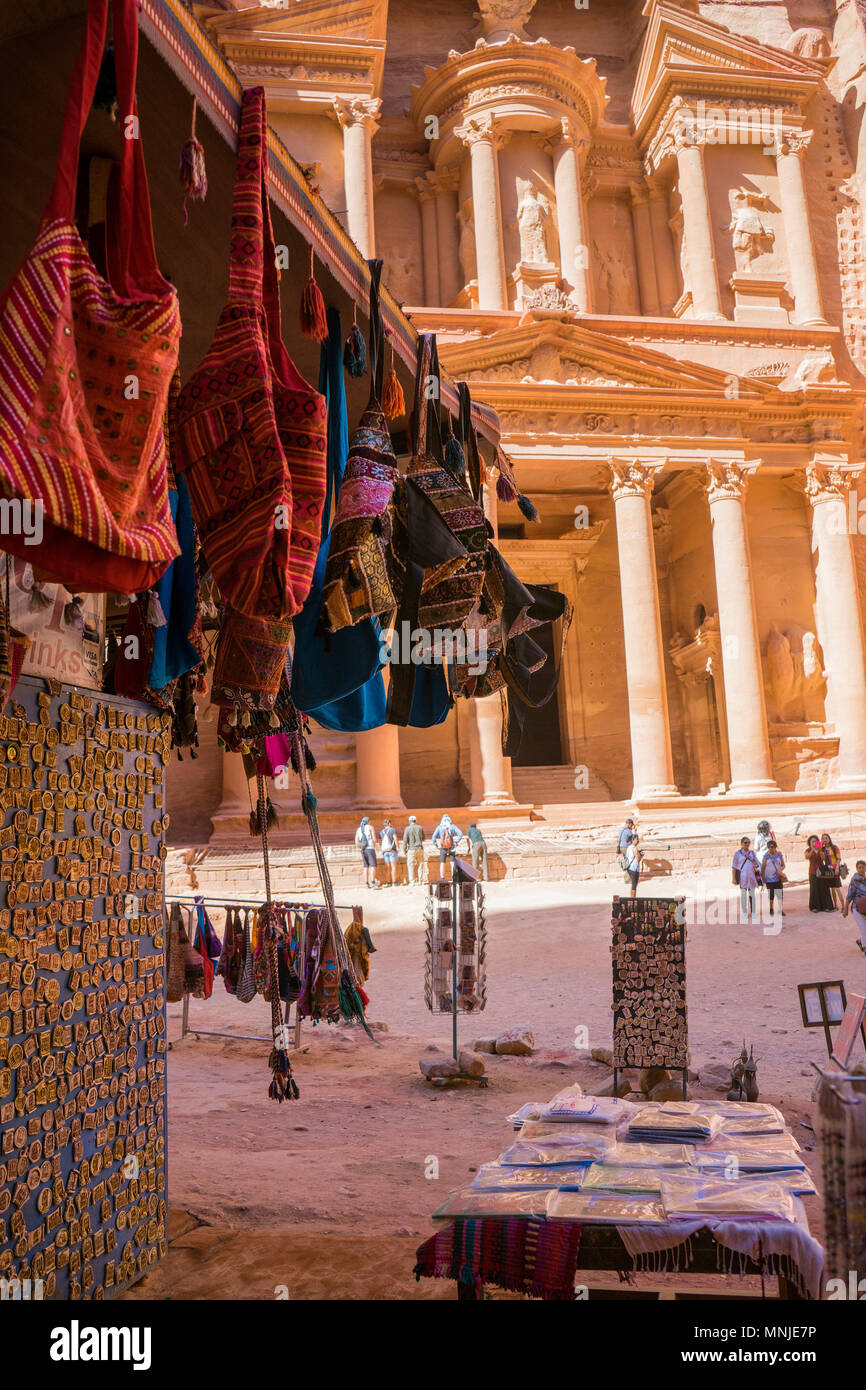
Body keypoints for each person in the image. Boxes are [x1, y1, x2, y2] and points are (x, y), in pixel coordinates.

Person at [732, 836, 761, 923]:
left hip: (751, 877)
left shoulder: (752, 853)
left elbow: (756, 863)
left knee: (752, 894)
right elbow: (734, 867)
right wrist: (733, 878)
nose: (747, 844)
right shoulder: (737, 854)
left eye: (748, 842)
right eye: (745, 843)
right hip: (743, 877)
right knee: (744, 895)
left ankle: (753, 912)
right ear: (741, 844)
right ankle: (745, 912)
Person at [805, 833, 835, 912]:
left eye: (816, 841)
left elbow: (824, 858)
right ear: (810, 842)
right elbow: (807, 857)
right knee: (814, 889)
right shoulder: (807, 850)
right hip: (812, 871)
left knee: (824, 888)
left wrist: (820, 850)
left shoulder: (821, 849)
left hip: (821, 871)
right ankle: (815, 907)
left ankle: (826, 906)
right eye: (813, 841)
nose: (814, 843)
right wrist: (812, 849)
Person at [842, 860, 866, 954]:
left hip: (865, 907)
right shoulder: (855, 880)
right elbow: (849, 895)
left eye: (863, 867)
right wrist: (845, 909)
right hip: (857, 908)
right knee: (864, 930)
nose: (861, 869)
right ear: (857, 869)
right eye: (859, 867)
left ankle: (860, 941)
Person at [432, 814, 463, 880]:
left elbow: (433, 837)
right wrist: (456, 842)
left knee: (442, 863)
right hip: (451, 847)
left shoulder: (439, 827)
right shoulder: (452, 826)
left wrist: (437, 845)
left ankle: (442, 878)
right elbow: (460, 834)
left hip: (443, 847)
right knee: (452, 863)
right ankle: (453, 878)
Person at [761, 839, 786, 918]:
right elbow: (763, 867)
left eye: (772, 847)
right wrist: (763, 878)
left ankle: (780, 909)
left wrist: (780, 870)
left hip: (778, 878)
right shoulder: (766, 857)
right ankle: (771, 909)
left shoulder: (779, 855)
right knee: (771, 895)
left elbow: (783, 865)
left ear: (775, 847)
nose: (771, 849)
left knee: (779, 894)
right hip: (769, 879)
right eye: (769, 847)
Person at [821, 832, 845, 911]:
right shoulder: (823, 849)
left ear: (829, 839)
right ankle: (835, 905)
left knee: (837, 887)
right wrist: (821, 843)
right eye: (823, 838)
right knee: (832, 889)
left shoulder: (834, 847)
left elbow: (838, 858)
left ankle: (843, 906)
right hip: (828, 870)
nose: (824, 840)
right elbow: (816, 846)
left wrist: (837, 868)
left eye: (826, 838)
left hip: (835, 869)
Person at [355, 816, 379, 890]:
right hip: (370, 848)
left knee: (366, 867)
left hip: (363, 850)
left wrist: (360, 848)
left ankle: (366, 883)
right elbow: (374, 839)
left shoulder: (359, 829)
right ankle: (373, 882)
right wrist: (374, 846)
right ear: (368, 821)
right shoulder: (370, 827)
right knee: (373, 866)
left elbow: (356, 842)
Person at [402, 815, 426, 886]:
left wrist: (404, 850)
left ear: (409, 821)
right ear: (415, 821)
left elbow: (405, 840)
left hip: (411, 849)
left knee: (410, 865)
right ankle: (420, 881)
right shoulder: (420, 828)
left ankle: (412, 882)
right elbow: (424, 838)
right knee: (420, 864)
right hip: (420, 848)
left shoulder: (407, 829)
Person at [379, 817, 400, 886]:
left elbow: (380, 842)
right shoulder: (392, 830)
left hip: (385, 851)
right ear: (389, 824)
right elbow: (395, 838)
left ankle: (388, 882)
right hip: (392, 850)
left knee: (387, 868)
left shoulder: (381, 832)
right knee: (393, 867)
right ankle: (394, 882)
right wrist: (397, 847)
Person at [624, 833, 643, 899]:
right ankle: (633, 899)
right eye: (637, 839)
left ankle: (631, 898)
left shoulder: (629, 847)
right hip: (634, 869)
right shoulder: (635, 848)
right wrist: (641, 855)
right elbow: (638, 859)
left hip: (629, 868)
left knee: (633, 885)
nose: (638, 841)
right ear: (632, 840)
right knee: (634, 885)